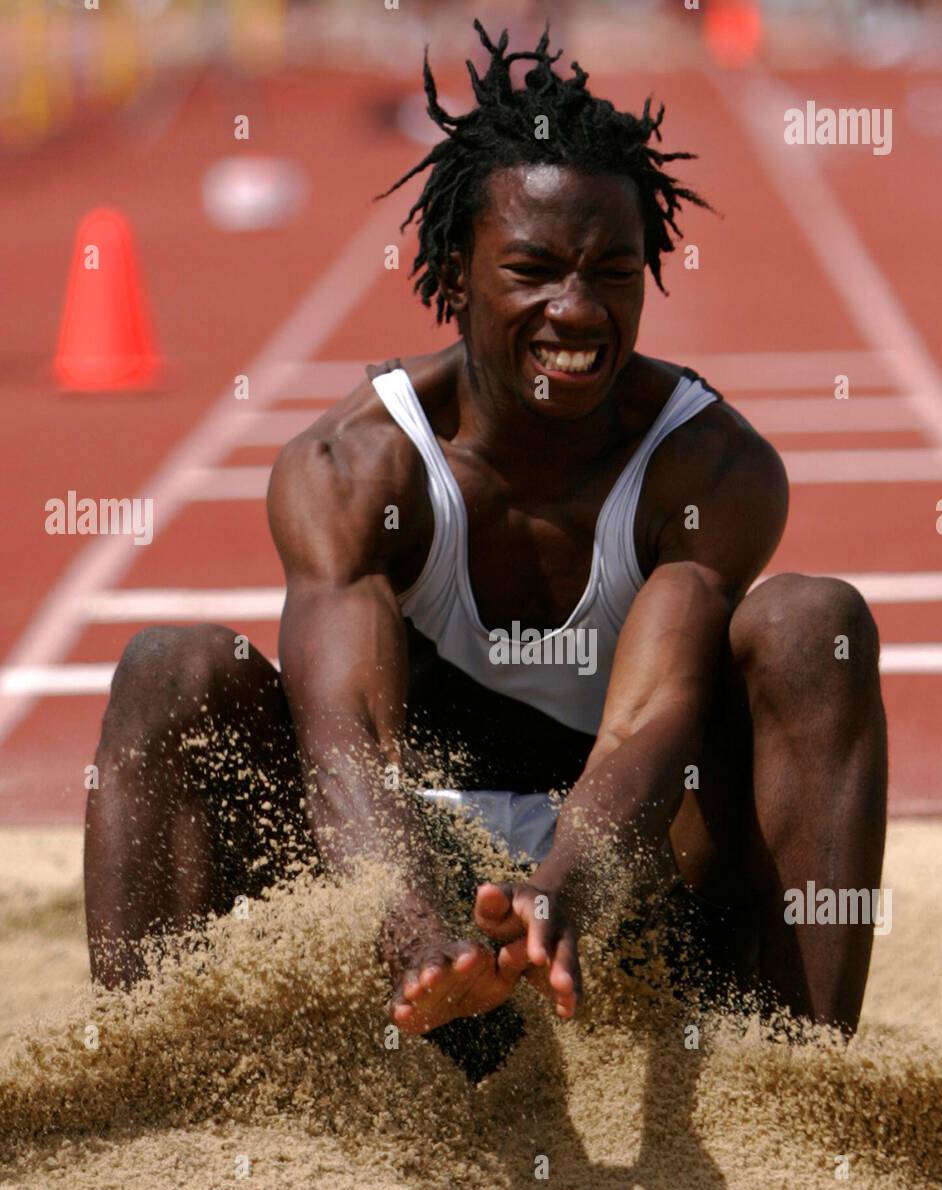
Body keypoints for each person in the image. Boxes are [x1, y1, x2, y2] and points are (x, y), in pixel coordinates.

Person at [85, 22, 887, 1060]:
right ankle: (154, 1075)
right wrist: (411, 924)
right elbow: (348, 744)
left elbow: (649, 722)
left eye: (613, 272)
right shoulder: (360, 468)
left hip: (621, 882)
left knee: (812, 625)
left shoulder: (709, 468)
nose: (579, 310)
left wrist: (555, 897)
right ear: (455, 279)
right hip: (410, 884)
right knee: (169, 667)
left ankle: (800, 1078)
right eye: (536, 269)